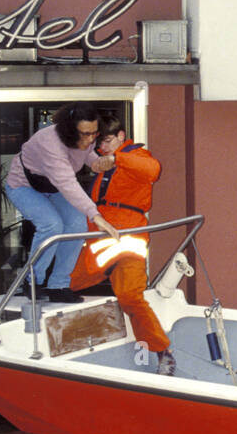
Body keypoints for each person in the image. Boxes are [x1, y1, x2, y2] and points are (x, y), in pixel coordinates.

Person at [67, 114, 177, 375]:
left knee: (130, 296)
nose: (101, 148)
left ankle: (163, 353)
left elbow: (153, 170)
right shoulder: (101, 161)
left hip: (128, 238)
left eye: (106, 141)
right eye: (98, 143)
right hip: (100, 237)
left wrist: (117, 158)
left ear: (121, 136)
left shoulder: (138, 157)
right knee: (66, 285)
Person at [4, 102, 120, 303]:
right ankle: (32, 280)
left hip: (53, 187)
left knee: (77, 225)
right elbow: (67, 183)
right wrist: (96, 215)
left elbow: (85, 154)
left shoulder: (87, 135)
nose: (90, 138)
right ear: (69, 129)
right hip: (23, 186)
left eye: (94, 133)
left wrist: (96, 163)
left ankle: (59, 284)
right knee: (52, 225)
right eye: (85, 134)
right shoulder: (49, 143)